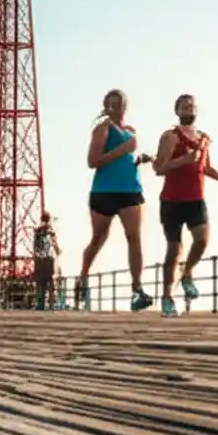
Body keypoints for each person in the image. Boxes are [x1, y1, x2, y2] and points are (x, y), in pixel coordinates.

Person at [152, 94, 218, 317]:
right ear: (177, 111)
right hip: (171, 200)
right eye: (184, 105)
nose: (189, 108)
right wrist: (182, 161)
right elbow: (159, 168)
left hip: (195, 198)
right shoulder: (170, 136)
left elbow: (204, 166)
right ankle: (167, 297)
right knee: (174, 250)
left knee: (203, 240)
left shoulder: (203, 138)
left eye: (192, 105)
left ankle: (187, 274)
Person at [76, 89, 155, 312]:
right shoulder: (102, 130)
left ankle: (137, 290)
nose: (114, 108)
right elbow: (93, 161)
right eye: (109, 104)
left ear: (125, 106)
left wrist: (139, 159)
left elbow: (127, 156)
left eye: (117, 104)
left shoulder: (130, 131)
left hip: (130, 188)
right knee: (99, 237)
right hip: (104, 190)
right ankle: (83, 278)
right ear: (105, 107)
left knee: (134, 237)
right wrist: (122, 150)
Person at [32, 212, 62, 310]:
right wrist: (58, 251)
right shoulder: (51, 231)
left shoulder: (38, 231)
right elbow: (56, 248)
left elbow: (35, 247)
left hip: (40, 259)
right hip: (50, 258)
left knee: (41, 282)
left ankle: (41, 304)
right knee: (51, 281)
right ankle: (52, 305)